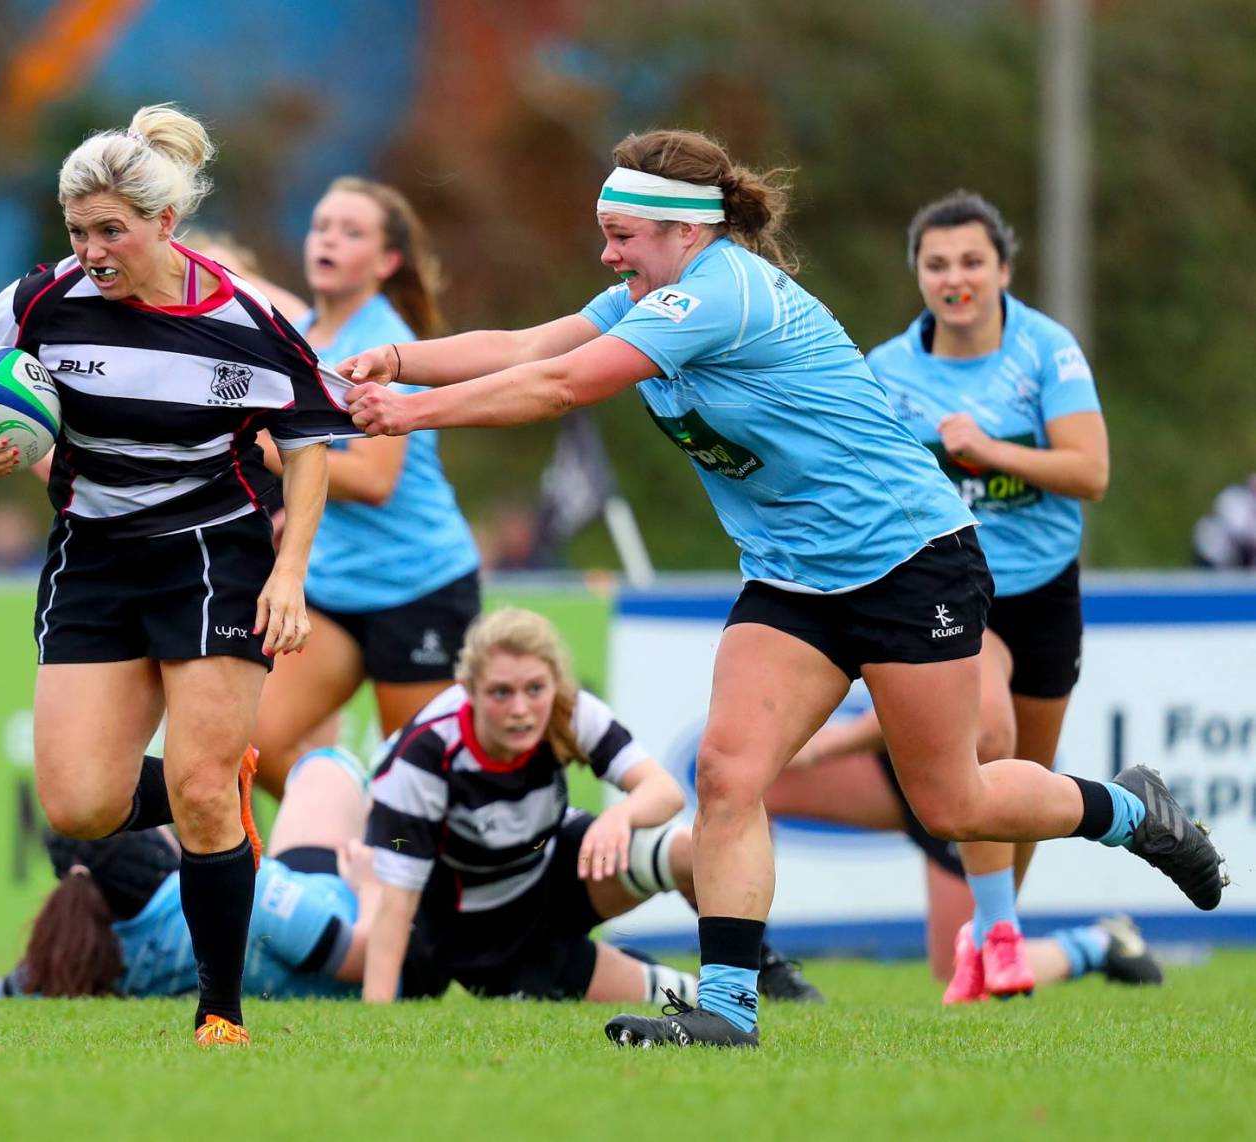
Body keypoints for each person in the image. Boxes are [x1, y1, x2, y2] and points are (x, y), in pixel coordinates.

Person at [341, 129, 1226, 1049]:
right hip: (794, 578)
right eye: (605, 233)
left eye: (625, 234)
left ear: (687, 232)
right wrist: (399, 363)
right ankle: (727, 1009)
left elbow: (562, 384)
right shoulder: (649, 294)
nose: (608, 253)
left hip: (907, 558)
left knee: (952, 802)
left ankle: (1130, 810)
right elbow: (528, 344)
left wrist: (409, 414)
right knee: (727, 774)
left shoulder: (719, 292)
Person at [0, 104, 362, 1047]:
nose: (92, 250)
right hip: (95, 555)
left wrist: (290, 575)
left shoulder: (248, 323)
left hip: (215, 548)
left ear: (166, 225)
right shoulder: (42, 299)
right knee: (78, 804)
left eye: (110, 230)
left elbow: (310, 444)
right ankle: (223, 771)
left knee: (200, 797)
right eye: (78, 231)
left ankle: (220, 1011)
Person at [861, 190, 1110, 1002]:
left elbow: (1090, 472)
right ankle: (1001, 936)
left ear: (1003, 269)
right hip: (951, 584)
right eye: (937, 265)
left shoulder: (1046, 350)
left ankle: (990, 933)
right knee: (987, 732)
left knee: (1026, 782)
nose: (955, 278)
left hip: (1045, 591)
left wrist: (990, 448)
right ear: (918, 277)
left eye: (972, 262)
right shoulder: (888, 372)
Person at [246, 177, 479, 797]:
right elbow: (253, 294)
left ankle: (399, 868)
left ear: (387, 262)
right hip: (332, 590)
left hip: (420, 587)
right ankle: (341, 840)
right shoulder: (298, 332)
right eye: (321, 226)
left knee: (414, 788)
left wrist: (263, 449)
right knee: (253, 743)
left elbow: (376, 481)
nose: (329, 240)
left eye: (352, 233)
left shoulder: (386, 346)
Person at [362, 607, 704, 1006]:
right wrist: (378, 1010)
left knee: (694, 850)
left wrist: (620, 817)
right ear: (469, 690)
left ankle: (749, 966)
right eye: (501, 693)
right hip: (485, 936)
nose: (521, 709)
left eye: (535, 689)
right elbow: (396, 902)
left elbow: (665, 791)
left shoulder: (568, 708)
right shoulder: (422, 755)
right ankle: (637, 973)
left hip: (557, 868)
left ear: (554, 683)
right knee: (686, 1000)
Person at [766, 701, 1164, 991]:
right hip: (896, 761)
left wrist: (824, 745)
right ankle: (749, 960)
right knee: (750, 780)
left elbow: (961, 710)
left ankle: (1097, 944)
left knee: (969, 970)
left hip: (968, 782)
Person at [0, 746, 377, 1001]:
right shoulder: (251, 895)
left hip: (303, 900)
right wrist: (373, 884)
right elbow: (364, 960)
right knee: (324, 764)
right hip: (349, 904)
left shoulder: (85, 953)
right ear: (150, 842)